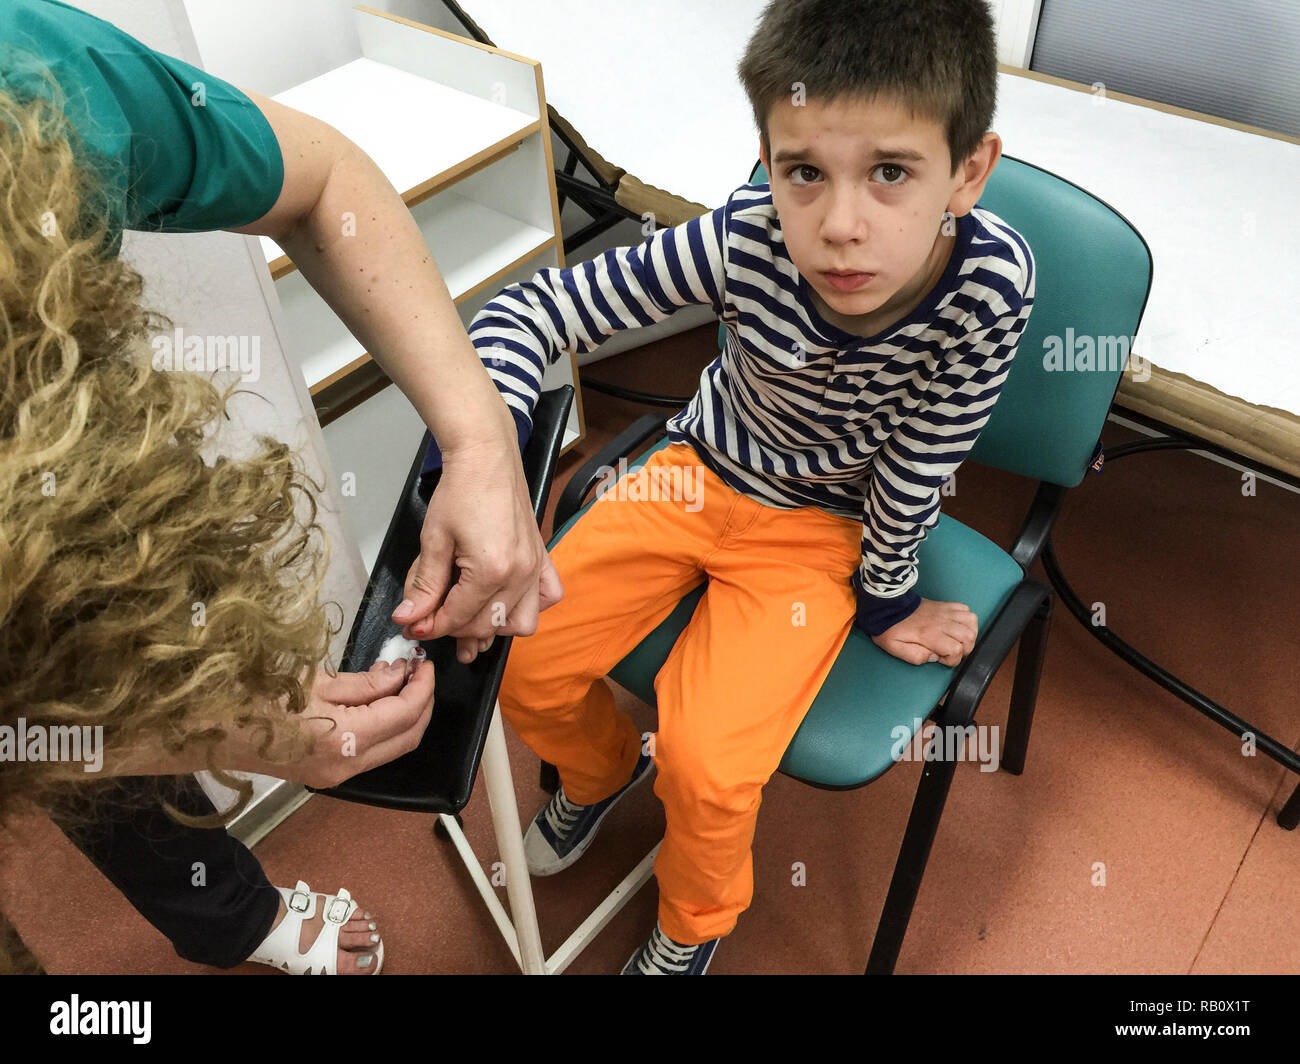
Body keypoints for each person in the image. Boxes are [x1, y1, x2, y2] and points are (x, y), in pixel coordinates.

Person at [447, 0, 1036, 973]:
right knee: (521, 656)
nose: (840, 228)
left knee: (710, 765)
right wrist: (486, 447)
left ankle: (694, 921)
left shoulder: (987, 287)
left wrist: (887, 597)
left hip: (824, 525)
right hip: (695, 471)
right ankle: (595, 774)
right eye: (804, 171)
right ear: (767, 158)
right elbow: (536, 309)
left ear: (966, 172)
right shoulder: (746, 234)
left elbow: (918, 464)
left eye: (889, 172)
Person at [0, 0, 560, 974]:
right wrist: (171, 729)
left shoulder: (38, 85)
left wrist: (480, 439)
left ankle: (231, 917)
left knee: (95, 673)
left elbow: (323, 180)